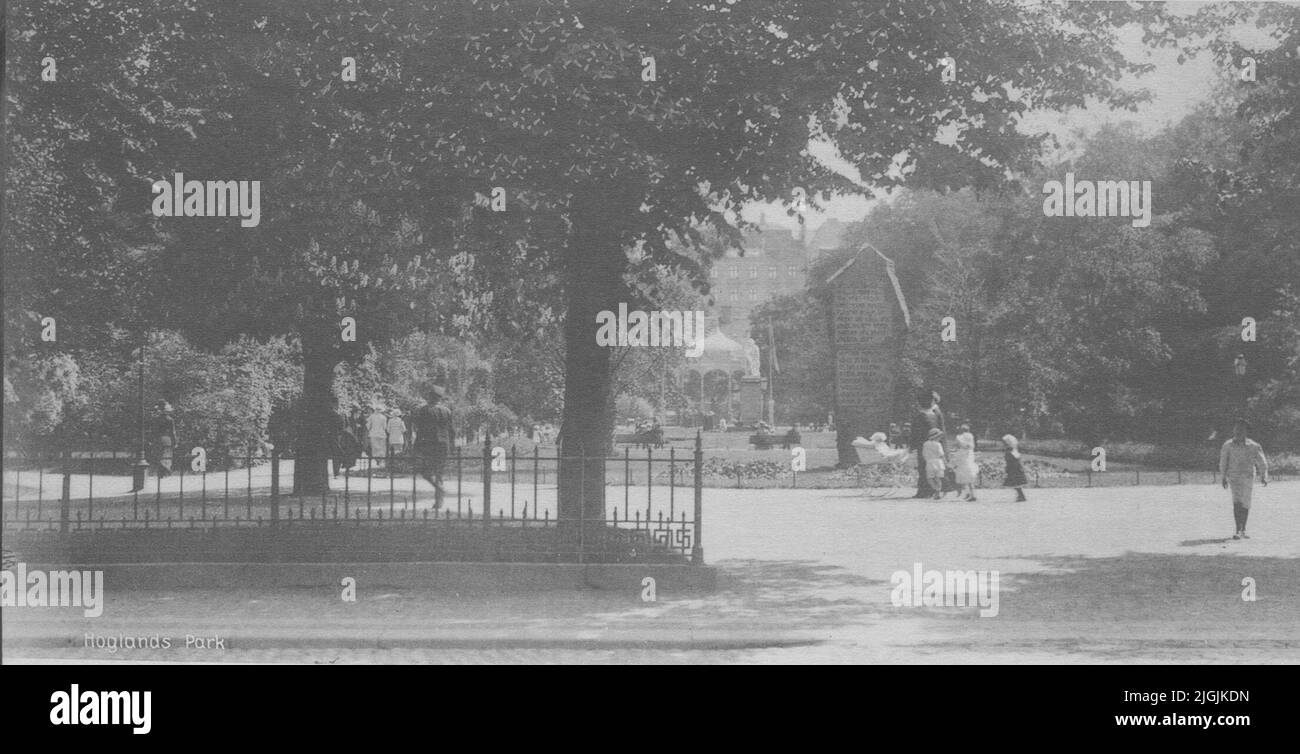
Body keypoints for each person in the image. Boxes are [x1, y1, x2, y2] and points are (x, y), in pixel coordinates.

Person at [1219, 418, 1269, 540]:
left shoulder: (1254, 446)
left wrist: (1264, 476)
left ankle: (1243, 529)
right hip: (1234, 477)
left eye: (1241, 429)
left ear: (1247, 431)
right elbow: (1223, 462)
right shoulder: (1228, 445)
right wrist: (1223, 477)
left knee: (1246, 502)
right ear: (1233, 430)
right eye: (1236, 428)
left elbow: (1262, 462)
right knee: (1237, 502)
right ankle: (1238, 529)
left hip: (1248, 477)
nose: (1238, 431)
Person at [411, 386, 455, 508]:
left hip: (429, 444)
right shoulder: (447, 411)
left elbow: (420, 429)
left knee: (425, 472)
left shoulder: (424, 410)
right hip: (443, 444)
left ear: (430, 397)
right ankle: (439, 501)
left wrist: (417, 445)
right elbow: (451, 430)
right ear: (439, 398)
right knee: (439, 473)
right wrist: (452, 446)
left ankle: (439, 489)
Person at [910, 389, 946, 497]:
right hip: (933, 445)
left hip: (925, 445)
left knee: (924, 468)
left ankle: (925, 491)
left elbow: (915, 432)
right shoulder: (936, 413)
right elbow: (942, 430)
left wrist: (912, 445)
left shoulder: (922, 415)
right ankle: (932, 490)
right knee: (931, 469)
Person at [150, 402, 177, 478]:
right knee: (167, 456)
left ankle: (160, 473)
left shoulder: (156, 419)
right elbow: (173, 432)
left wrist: (152, 440)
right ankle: (166, 472)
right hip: (167, 440)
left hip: (158, 439)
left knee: (159, 456)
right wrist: (175, 441)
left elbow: (154, 431)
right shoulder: (170, 420)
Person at [953, 423, 979, 501]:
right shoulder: (970, 436)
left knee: (963, 475)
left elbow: (958, 445)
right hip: (969, 455)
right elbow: (971, 446)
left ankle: (970, 494)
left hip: (963, 456)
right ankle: (970, 494)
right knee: (969, 475)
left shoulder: (959, 437)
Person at [331, 412, 360, 478]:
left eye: (344, 419)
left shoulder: (348, 430)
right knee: (337, 457)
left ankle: (341, 472)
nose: (343, 421)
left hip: (344, 444)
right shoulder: (338, 430)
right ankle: (336, 473)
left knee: (342, 457)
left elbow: (353, 439)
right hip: (339, 443)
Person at [922, 428, 947, 500]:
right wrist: (945, 463)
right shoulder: (938, 444)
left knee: (930, 478)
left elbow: (924, 454)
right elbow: (941, 454)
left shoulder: (925, 444)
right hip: (938, 462)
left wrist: (926, 459)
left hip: (930, 462)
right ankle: (938, 491)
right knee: (938, 478)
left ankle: (936, 490)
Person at [1002, 434, 1027, 502]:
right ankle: (1021, 496)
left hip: (1014, 469)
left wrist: (1008, 467)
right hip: (1014, 468)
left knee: (1015, 483)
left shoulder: (1010, 450)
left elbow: (1014, 459)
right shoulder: (1011, 450)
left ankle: (1021, 496)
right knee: (1015, 483)